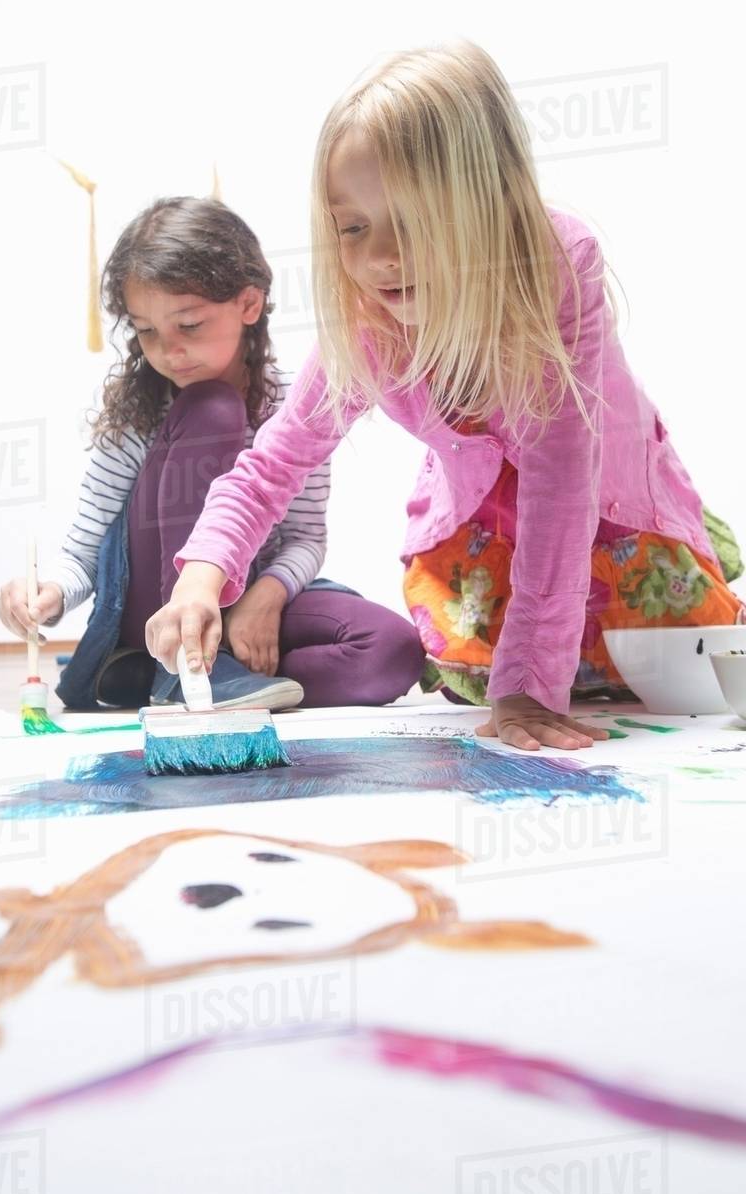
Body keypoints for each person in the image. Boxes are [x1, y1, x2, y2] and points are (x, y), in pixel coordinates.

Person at [143, 43, 745, 750]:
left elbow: (561, 487)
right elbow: (272, 466)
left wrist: (527, 689)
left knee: (680, 660)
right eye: (353, 227)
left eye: (412, 220)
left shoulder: (558, 267)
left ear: (487, 202)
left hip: (605, 501)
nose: (378, 259)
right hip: (480, 514)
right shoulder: (370, 322)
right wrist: (201, 582)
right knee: (472, 662)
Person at [0, 196, 424, 710]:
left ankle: (202, 677)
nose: (167, 351)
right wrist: (48, 593)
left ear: (248, 304)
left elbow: (306, 537)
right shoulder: (140, 413)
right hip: (156, 604)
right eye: (147, 331)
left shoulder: (294, 402)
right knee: (214, 408)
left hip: (237, 598)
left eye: (189, 325)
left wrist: (265, 599)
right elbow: (86, 550)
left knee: (393, 649)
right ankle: (182, 665)